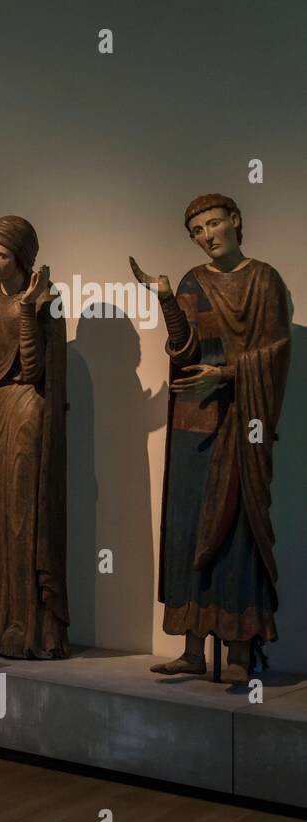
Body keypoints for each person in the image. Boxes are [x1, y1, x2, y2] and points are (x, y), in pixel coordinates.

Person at [130, 194, 292, 683]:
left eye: (214, 224)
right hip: (192, 424)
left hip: (241, 422)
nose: (207, 235)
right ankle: (193, 649)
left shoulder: (264, 280)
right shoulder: (192, 282)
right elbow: (183, 348)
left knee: (236, 531)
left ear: (236, 222)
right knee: (187, 530)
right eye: (198, 230)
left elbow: (276, 351)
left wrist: (224, 376)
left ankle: (240, 652)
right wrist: (163, 297)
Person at [0, 215, 70, 659]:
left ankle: (29, 624)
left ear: (23, 257)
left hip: (30, 404)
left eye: (3, 254)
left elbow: (36, 370)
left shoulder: (49, 298)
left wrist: (28, 310)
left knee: (24, 512)